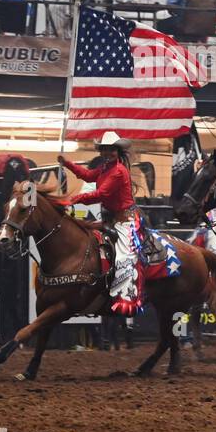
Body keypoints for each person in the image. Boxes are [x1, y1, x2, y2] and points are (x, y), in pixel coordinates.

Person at [57, 133, 144, 315]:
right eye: (105, 149)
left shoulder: (119, 171)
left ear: (117, 151)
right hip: (111, 219)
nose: (108, 153)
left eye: (111, 149)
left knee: (123, 257)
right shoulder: (106, 168)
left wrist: (73, 199)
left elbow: (101, 194)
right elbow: (88, 176)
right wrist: (68, 164)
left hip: (126, 220)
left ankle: (126, 298)